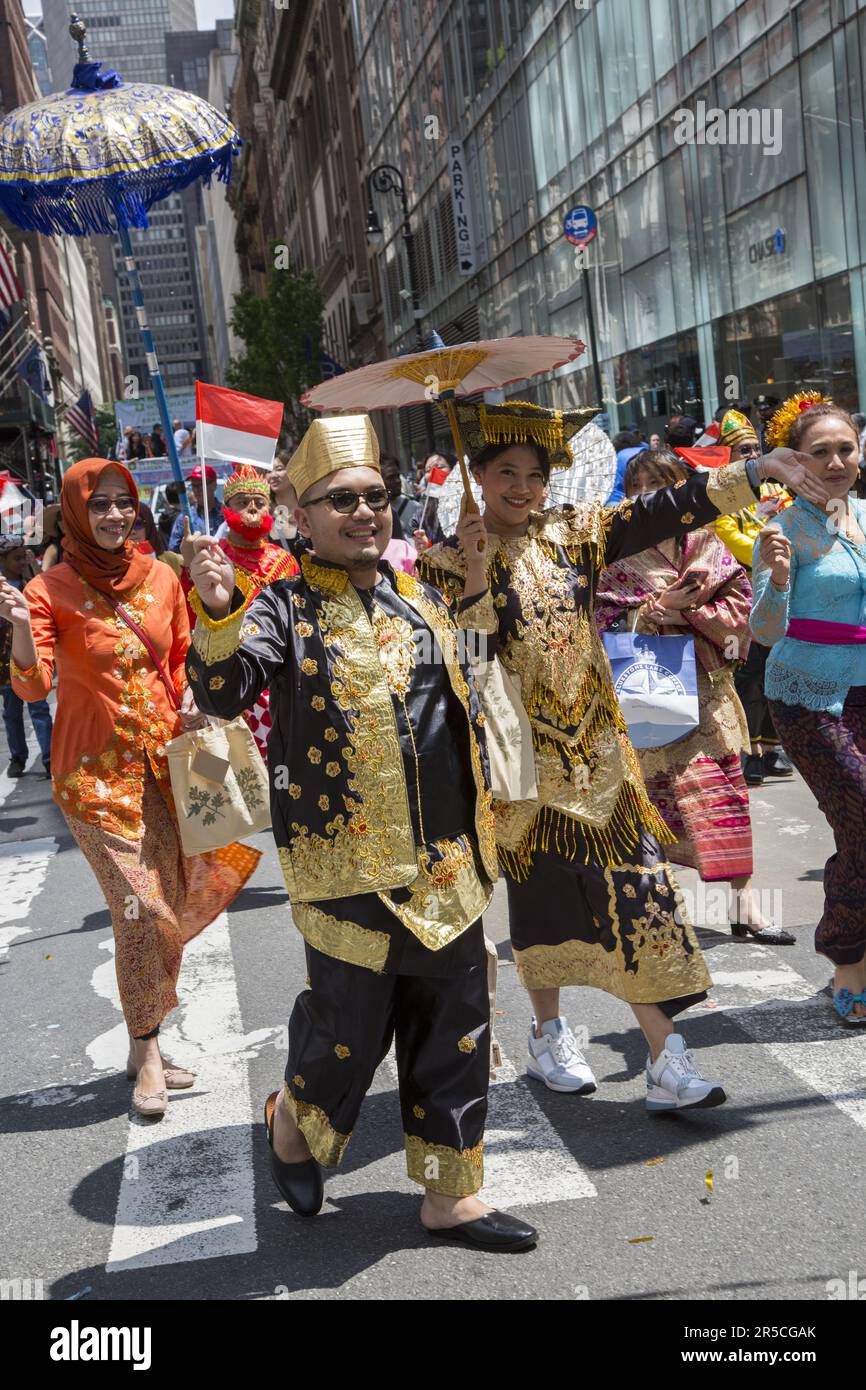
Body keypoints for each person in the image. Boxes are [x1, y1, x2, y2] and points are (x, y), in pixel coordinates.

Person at [184, 413, 536, 1251]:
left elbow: (482, 683)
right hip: (346, 865)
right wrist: (217, 610)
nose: (364, 512)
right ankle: (291, 1125)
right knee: (349, 1033)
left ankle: (450, 1198)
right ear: (300, 517)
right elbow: (227, 693)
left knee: (455, 1023)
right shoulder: (281, 608)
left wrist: (481, 585)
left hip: (449, 858)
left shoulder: (422, 596)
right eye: (340, 500)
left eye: (375, 496)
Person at [418, 399, 819, 1105]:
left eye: (533, 474)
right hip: (519, 766)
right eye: (504, 471)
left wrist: (752, 472)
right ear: (475, 477)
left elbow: (662, 510)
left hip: (602, 753)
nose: (520, 486)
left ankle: (667, 1059)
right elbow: (458, 669)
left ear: (551, 483)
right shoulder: (443, 565)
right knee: (542, 903)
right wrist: (476, 578)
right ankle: (549, 1037)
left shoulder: (576, 534)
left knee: (643, 894)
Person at [0, 459, 260, 1115]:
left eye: (125, 503)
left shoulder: (163, 577)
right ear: (75, 512)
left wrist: (195, 696)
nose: (116, 515)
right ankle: (147, 1054)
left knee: (168, 906)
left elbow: (178, 661)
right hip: (92, 782)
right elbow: (32, 686)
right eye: (102, 505)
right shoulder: (48, 588)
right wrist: (24, 631)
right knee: (144, 910)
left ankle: (141, 1034)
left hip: (168, 771)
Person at [595, 449, 795, 944]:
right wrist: (654, 610)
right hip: (649, 689)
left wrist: (692, 612)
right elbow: (595, 621)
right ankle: (658, 905)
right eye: (640, 486)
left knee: (725, 794)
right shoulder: (613, 550)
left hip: (708, 692)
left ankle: (744, 906)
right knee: (656, 801)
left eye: (663, 484)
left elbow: (741, 606)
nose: (651, 496)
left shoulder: (708, 541)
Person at [751, 395, 866, 1028]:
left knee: (859, 832)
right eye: (818, 452)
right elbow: (765, 630)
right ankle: (847, 958)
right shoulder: (783, 528)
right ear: (795, 461)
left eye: (844, 448)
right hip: (804, 693)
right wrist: (780, 576)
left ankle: (853, 952)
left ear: (861, 451)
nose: (833, 461)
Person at [180, 464, 298, 759]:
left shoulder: (285, 561)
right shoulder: (213, 558)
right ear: (225, 507)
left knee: (282, 767)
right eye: (242, 502)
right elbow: (191, 621)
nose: (252, 509)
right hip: (228, 677)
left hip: (277, 682)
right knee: (233, 777)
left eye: (259, 502)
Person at [710, 408, 793, 785]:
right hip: (741, 590)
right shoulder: (720, 490)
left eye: (754, 448)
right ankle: (749, 751)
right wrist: (766, 554)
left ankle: (773, 747)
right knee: (749, 674)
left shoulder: (776, 489)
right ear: (726, 455)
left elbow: (791, 523)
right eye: (742, 450)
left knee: (779, 671)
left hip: (778, 585)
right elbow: (727, 534)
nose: (750, 456)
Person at [0, 536, 52, 778]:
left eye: (24, 556)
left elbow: (48, 592)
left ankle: (50, 759)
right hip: (5, 664)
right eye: (16, 558)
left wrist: (33, 565)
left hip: (33, 660)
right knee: (11, 713)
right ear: (3, 560)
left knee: (39, 709)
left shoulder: (32, 583)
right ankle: (18, 758)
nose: (21, 562)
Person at [168, 464, 223, 550]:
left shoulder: (226, 514)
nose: (197, 490)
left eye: (201, 485)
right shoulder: (186, 518)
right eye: (194, 486)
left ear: (214, 484)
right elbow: (173, 549)